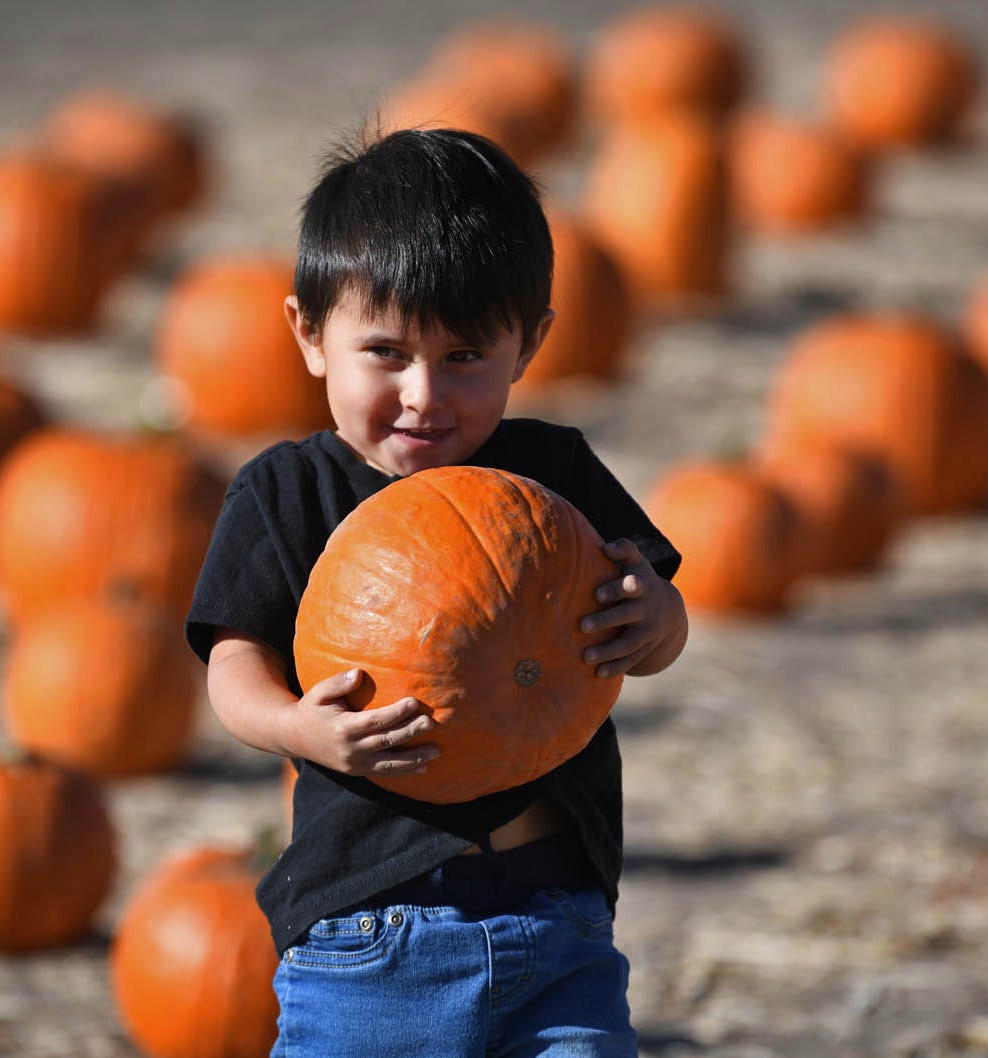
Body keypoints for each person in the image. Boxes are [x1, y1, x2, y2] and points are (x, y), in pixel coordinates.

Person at [185, 126, 688, 1057]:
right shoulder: (287, 494)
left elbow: (652, 608)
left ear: (527, 344)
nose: (423, 394)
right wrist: (299, 729)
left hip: (557, 924)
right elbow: (233, 661)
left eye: (464, 357)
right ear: (309, 335)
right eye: (385, 352)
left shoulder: (551, 472)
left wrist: (655, 621)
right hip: (369, 936)